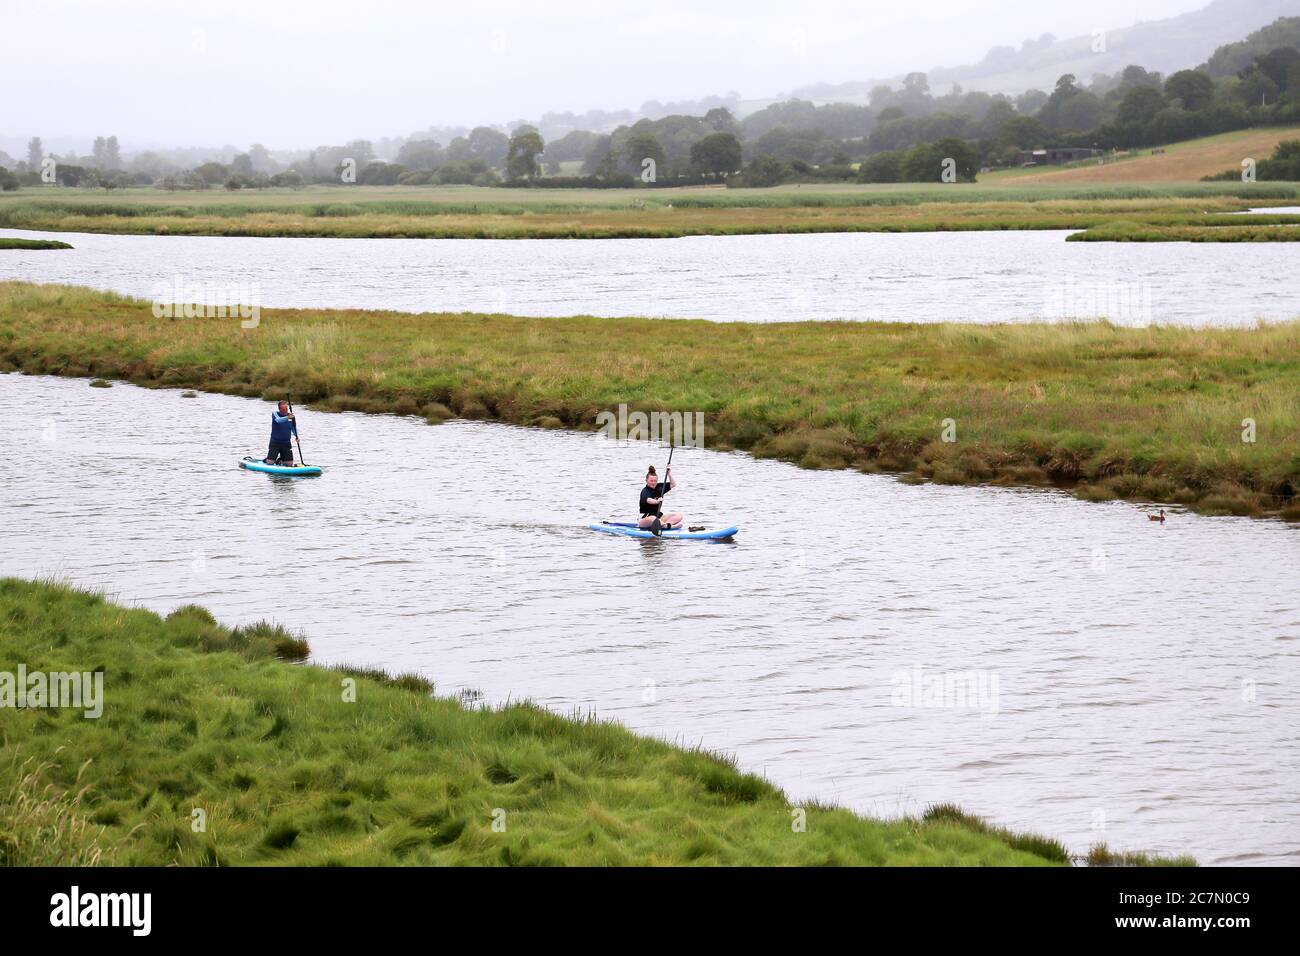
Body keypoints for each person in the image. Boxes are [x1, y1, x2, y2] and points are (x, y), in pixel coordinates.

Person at [638, 465, 682, 536]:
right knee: (653, 518)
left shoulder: (659, 487)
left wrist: (669, 474)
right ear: (646, 480)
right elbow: (648, 500)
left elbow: (673, 484)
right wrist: (656, 501)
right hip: (645, 520)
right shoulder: (644, 491)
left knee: (678, 515)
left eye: (655, 481)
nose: (653, 482)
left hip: (658, 517)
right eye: (651, 481)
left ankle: (665, 526)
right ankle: (668, 526)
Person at [265, 401, 298, 465]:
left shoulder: (290, 417)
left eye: (286, 409)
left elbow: (293, 427)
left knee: (290, 464)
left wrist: (297, 436)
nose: (285, 411)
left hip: (286, 443)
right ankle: (266, 460)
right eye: (283, 409)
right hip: (275, 443)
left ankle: (280, 461)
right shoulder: (275, 414)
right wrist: (288, 417)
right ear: (279, 409)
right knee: (270, 463)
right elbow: (278, 420)